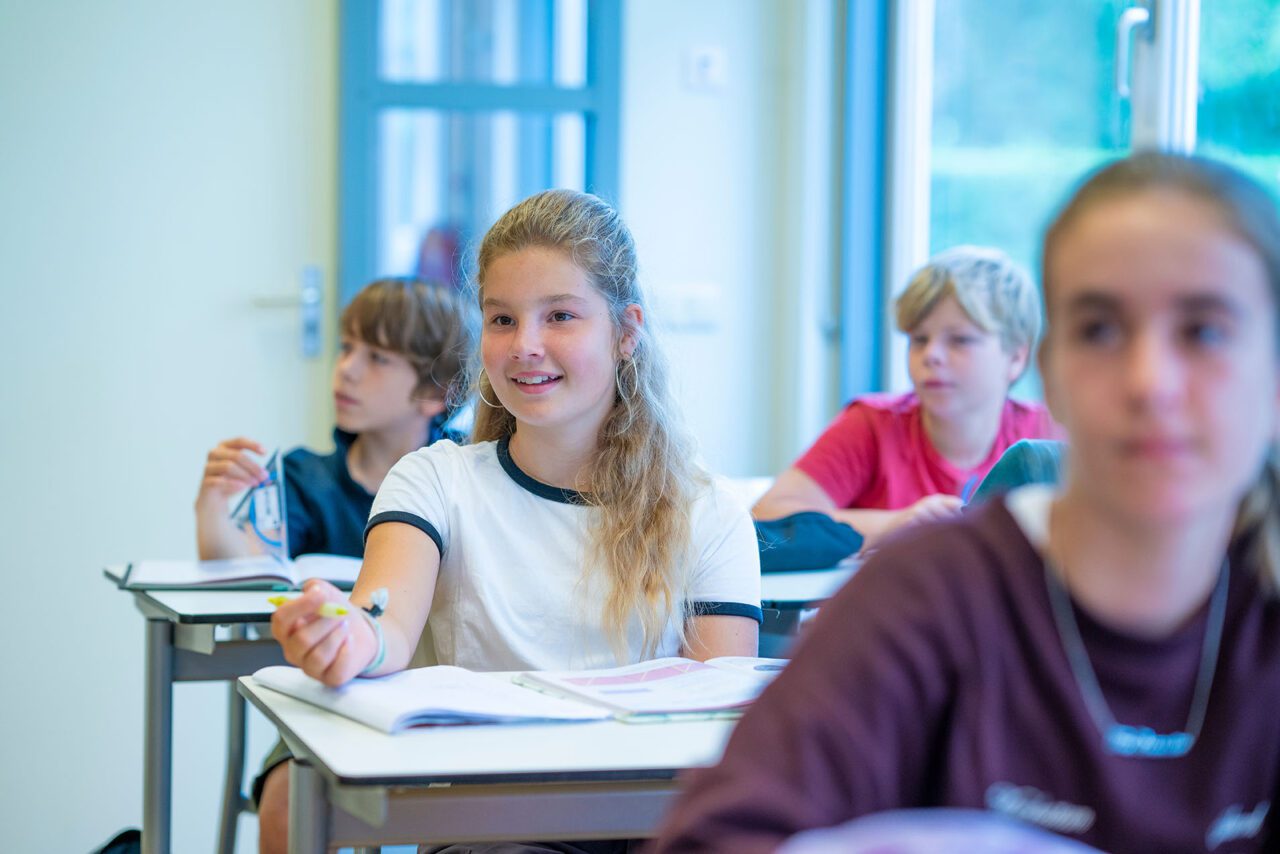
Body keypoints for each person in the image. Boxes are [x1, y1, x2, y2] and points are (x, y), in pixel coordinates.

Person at [651, 152, 1280, 853]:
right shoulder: (926, 591)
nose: (1149, 383)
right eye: (1099, 330)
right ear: (1051, 374)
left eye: (1205, 332)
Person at [272, 189, 762, 852]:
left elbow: (714, 731)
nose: (525, 345)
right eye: (502, 320)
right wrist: (345, 637)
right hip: (488, 828)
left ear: (625, 331)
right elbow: (383, 621)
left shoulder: (707, 512)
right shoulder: (433, 481)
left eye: (559, 315)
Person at [194, 277, 470, 854]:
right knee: (288, 799)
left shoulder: (463, 477)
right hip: (331, 706)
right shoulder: (307, 477)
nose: (344, 370)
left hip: (442, 710)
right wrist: (213, 508)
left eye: (376, 357)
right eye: (345, 348)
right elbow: (243, 567)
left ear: (432, 393)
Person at [753, 246, 1058, 550]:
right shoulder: (871, 426)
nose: (932, 355)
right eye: (919, 340)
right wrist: (895, 524)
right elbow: (767, 517)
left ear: (1017, 356)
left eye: (960, 340)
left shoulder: (1049, 435)